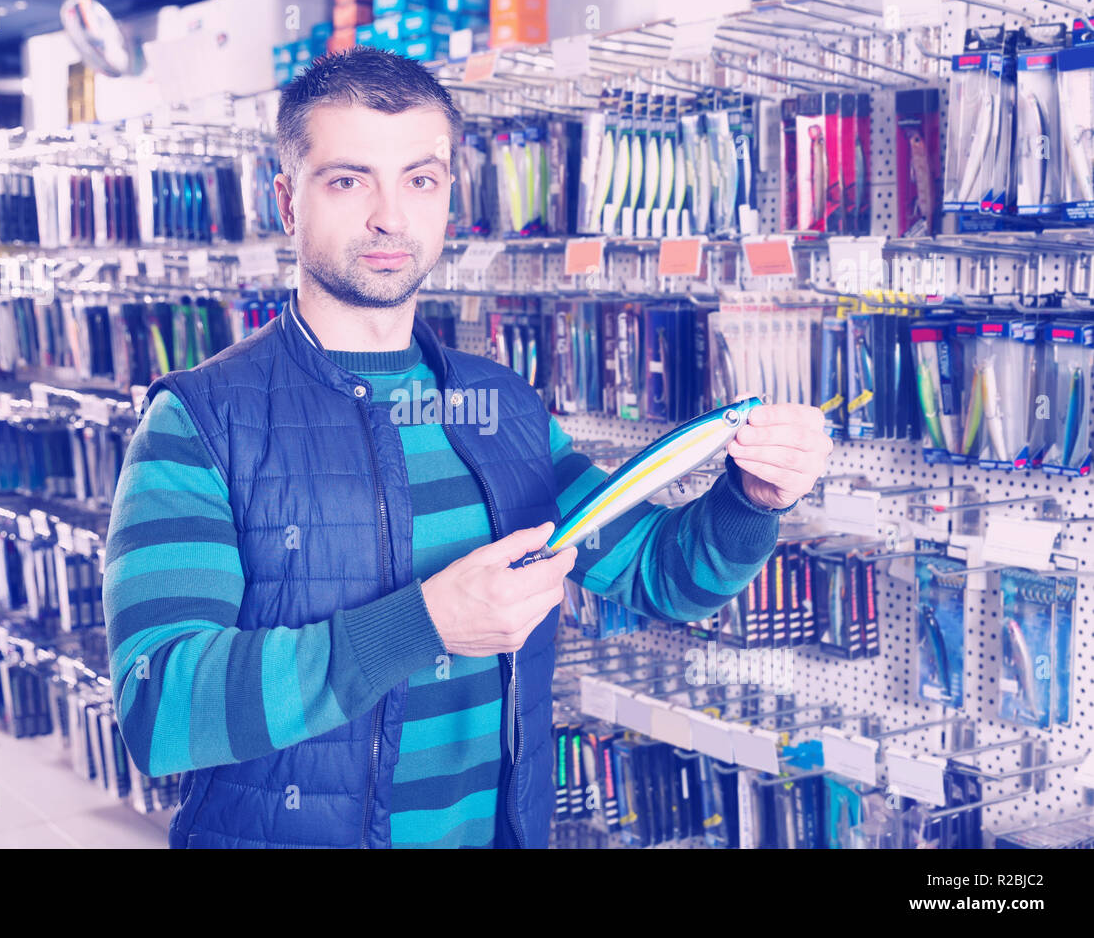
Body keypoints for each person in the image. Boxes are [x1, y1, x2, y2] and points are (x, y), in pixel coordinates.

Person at [102, 47, 833, 849]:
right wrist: (421, 624)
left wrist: (751, 502)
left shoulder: (502, 409)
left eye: (420, 179)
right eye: (348, 181)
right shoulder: (198, 422)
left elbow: (663, 576)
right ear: (287, 201)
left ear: (450, 196)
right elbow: (160, 708)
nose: (390, 216)